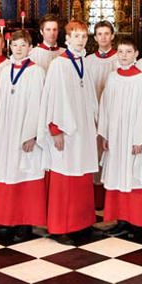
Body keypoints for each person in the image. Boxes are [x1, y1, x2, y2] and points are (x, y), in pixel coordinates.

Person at [40, 20, 99, 245]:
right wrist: (55, 130)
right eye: (76, 36)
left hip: (83, 130)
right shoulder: (59, 64)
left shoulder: (83, 62)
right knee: (64, 179)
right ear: (67, 38)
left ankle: (82, 224)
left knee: (82, 176)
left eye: (84, 36)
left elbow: (90, 95)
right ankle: (61, 227)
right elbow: (52, 98)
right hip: (65, 131)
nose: (81, 40)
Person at [98, 37, 142, 239]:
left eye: (128, 52)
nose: (124, 56)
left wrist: (139, 138)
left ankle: (137, 222)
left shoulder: (141, 79)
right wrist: (105, 133)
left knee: (134, 176)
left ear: (136, 55)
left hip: (133, 138)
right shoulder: (113, 77)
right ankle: (121, 220)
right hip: (116, 136)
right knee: (117, 175)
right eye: (121, 52)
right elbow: (105, 106)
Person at [0, 30, 47, 242]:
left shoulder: (36, 72)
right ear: (9, 48)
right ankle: (6, 221)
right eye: (15, 45)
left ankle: (25, 222)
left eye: (23, 45)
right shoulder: (5, 72)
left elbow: (37, 105)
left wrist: (31, 134)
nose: (19, 49)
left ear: (30, 48)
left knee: (25, 176)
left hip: (25, 131)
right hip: (6, 131)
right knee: (7, 174)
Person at [84, 21, 118, 97]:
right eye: (99, 34)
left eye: (106, 34)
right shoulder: (88, 60)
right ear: (95, 38)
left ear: (112, 36)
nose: (103, 37)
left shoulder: (120, 58)